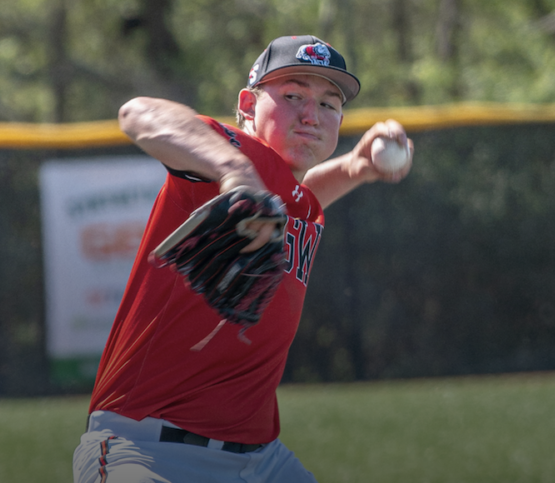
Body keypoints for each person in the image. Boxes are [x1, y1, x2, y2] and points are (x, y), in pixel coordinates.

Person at [72, 35, 413, 483]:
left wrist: (355, 168)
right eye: (293, 96)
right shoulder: (233, 156)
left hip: (261, 460)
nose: (311, 115)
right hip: (146, 448)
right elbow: (138, 113)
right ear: (248, 105)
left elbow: (296, 201)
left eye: (328, 104)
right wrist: (233, 171)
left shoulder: (293, 200)